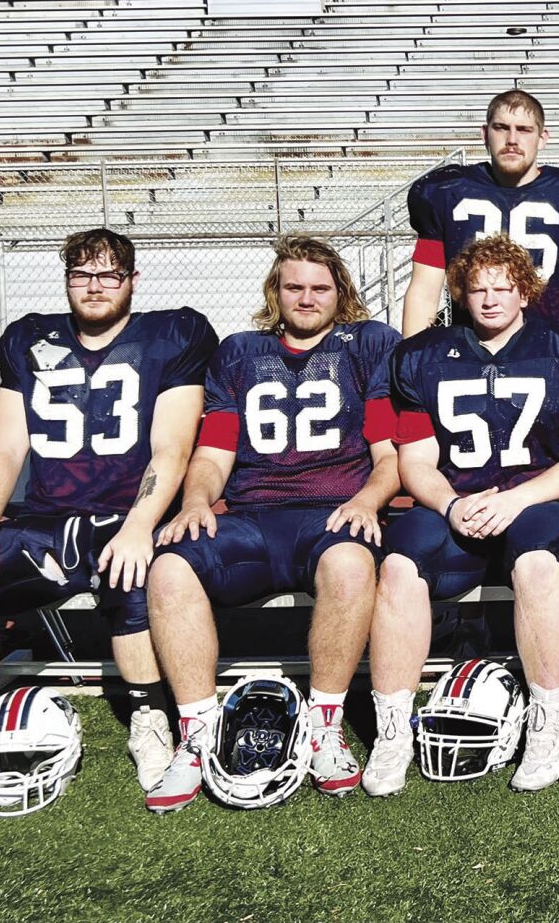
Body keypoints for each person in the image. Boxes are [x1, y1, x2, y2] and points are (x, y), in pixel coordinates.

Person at [0, 229, 215, 805]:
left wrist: (139, 527)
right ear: (67, 281)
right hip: (48, 520)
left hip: (130, 514)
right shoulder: (30, 339)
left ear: (132, 280)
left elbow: (171, 448)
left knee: (139, 579)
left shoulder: (171, 335)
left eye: (109, 275)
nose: (95, 286)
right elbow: (5, 448)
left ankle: (149, 721)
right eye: (82, 275)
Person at [143, 236, 400, 812]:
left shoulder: (367, 345)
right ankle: (196, 736)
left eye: (320, 288)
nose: (307, 298)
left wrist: (367, 501)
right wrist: (196, 502)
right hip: (253, 520)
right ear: (275, 292)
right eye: (294, 287)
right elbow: (213, 454)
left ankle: (325, 726)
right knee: (169, 570)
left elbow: (388, 456)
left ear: (340, 292)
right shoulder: (239, 353)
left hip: (331, 514)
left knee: (350, 565)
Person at [363, 234, 559, 795]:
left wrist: (515, 499)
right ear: (460, 295)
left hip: (537, 500)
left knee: (538, 562)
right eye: (477, 289)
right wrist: (451, 504)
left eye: (502, 288)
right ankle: (391, 729)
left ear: (525, 292)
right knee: (398, 564)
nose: (490, 300)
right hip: (459, 500)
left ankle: (547, 725)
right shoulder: (422, 357)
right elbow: (415, 460)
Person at [402, 88, 559, 340]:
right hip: (471, 350)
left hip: (553, 350)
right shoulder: (446, 192)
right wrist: (412, 356)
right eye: (501, 128)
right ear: (485, 134)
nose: (512, 139)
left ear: (542, 138)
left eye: (524, 130)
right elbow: (424, 292)